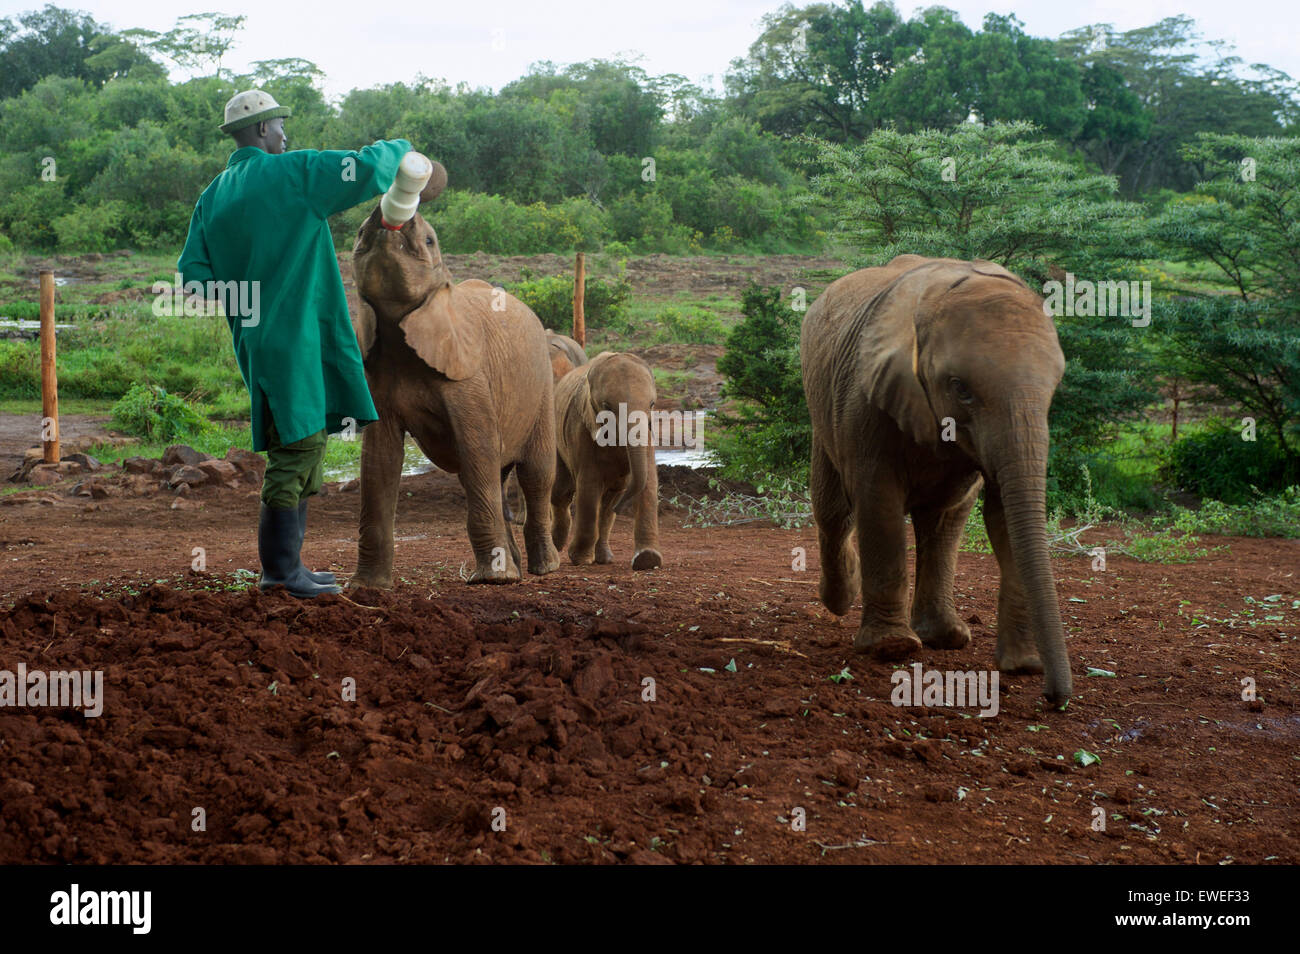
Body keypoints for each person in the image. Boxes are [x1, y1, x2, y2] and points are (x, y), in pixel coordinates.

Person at [178, 89, 424, 597]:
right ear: (264, 131)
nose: (286, 136)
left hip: (259, 342)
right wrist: (403, 147)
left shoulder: (213, 196)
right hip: (297, 341)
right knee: (298, 445)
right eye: (281, 127)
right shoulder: (293, 174)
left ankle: (294, 567)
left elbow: (193, 277)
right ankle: (279, 573)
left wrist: (252, 292)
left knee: (306, 435)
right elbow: (369, 168)